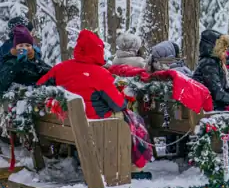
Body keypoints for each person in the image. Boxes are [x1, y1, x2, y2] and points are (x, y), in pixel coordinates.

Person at [37, 30, 153, 169]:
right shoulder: (99, 73)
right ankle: (133, 166)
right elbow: (118, 104)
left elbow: (39, 89)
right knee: (131, 120)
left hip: (64, 124)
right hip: (92, 124)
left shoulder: (60, 68)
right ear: (97, 51)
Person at [193, 29, 229, 109]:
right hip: (209, 109)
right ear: (216, 49)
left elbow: (219, 91)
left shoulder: (215, 63)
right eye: (223, 50)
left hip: (214, 107)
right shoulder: (209, 64)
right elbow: (218, 94)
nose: (226, 55)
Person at [0, 26, 51, 94]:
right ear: (15, 47)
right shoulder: (10, 62)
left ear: (31, 46)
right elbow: (2, 85)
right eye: (21, 46)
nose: (25, 48)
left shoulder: (36, 60)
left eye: (27, 45)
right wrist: (16, 65)